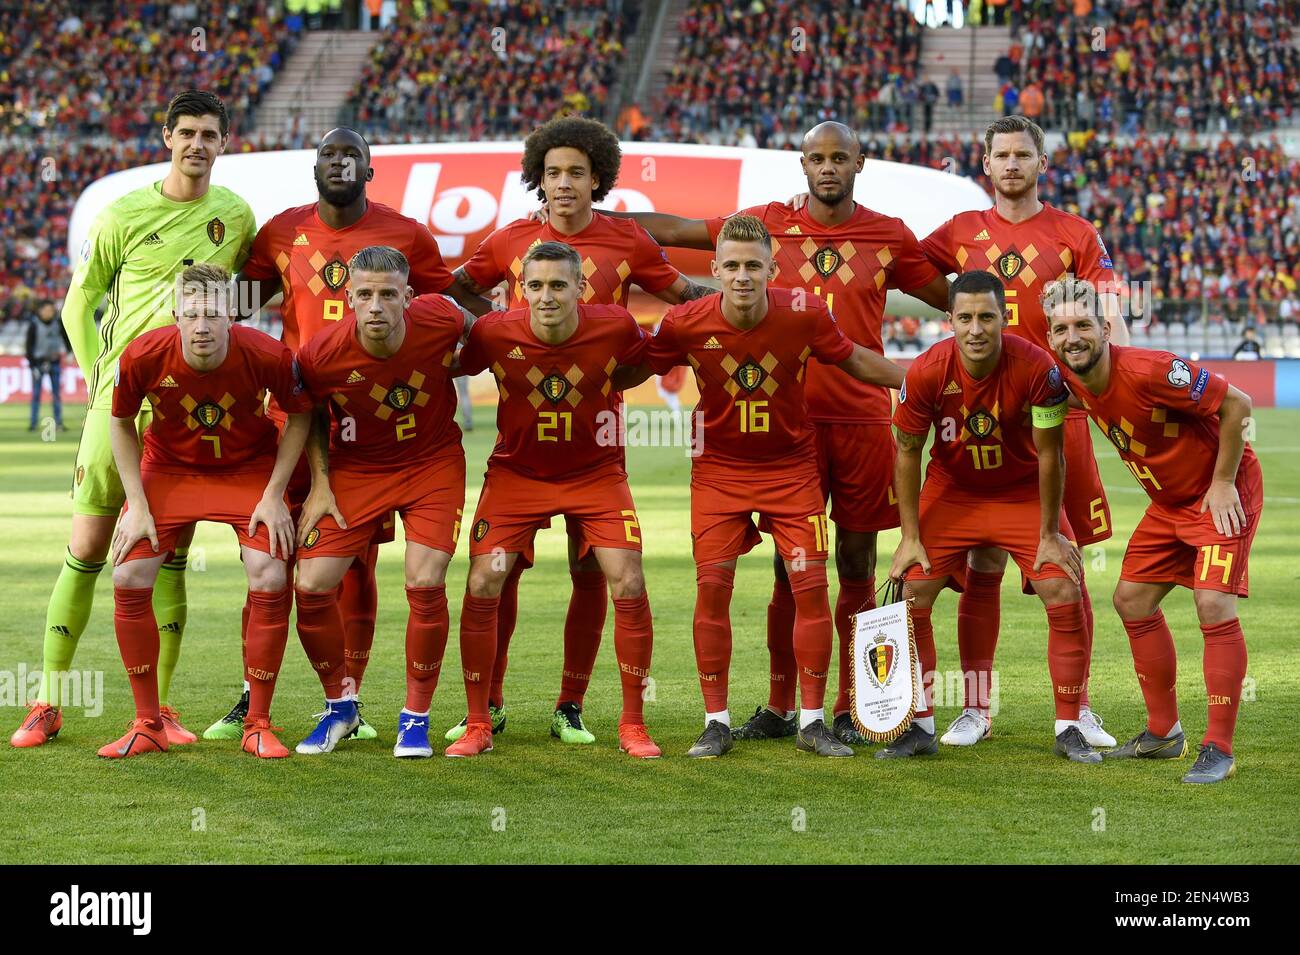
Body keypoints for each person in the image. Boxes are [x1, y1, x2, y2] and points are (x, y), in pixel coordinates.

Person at [611, 122, 948, 746]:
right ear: (802, 164)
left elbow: (946, 296)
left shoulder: (889, 234)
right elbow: (680, 229)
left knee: (854, 560)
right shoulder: (764, 223)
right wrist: (604, 221)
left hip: (859, 417)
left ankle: (852, 703)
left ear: (859, 163)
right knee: (786, 571)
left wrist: (961, 356)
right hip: (787, 426)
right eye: (817, 158)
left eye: (839, 158)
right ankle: (778, 704)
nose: (827, 168)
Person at [203, 127, 489, 742]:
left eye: (351, 154)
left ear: (369, 168)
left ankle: (352, 700)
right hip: (299, 416)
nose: (339, 163)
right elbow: (237, 310)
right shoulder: (280, 232)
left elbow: (447, 316)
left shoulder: (407, 235)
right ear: (314, 168)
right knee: (273, 559)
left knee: (360, 568)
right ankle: (255, 697)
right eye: (329, 154)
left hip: (384, 428)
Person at [441, 115, 711, 746]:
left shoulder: (627, 240)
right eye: (553, 172)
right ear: (539, 177)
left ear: (598, 178)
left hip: (597, 450)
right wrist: (510, 323)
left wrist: (739, 305)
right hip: (519, 453)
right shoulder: (509, 240)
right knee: (492, 574)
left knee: (595, 574)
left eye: (577, 173)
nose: (564, 184)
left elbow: (682, 296)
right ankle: (490, 708)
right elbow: (459, 290)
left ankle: (573, 705)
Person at [11, 90, 256, 750]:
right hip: (118, 407)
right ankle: (48, 700)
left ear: (224, 143)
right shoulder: (124, 213)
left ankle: (163, 708)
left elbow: (242, 301)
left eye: (211, 133)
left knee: (170, 554)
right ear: (166, 137)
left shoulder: (235, 217)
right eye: (188, 133)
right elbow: (77, 304)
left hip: (185, 412)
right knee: (89, 546)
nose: (198, 144)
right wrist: (99, 377)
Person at [631, 214, 906, 758]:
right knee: (713, 588)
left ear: (772, 270)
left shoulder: (803, 314)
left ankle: (810, 720)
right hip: (718, 472)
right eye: (730, 266)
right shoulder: (686, 321)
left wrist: (921, 378)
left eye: (752, 266)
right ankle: (716, 722)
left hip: (790, 469)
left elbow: (853, 359)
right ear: (714, 269)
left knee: (809, 585)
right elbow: (632, 368)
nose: (741, 276)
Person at [919, 114, 1126, 748]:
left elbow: (1110, 303)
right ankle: (976, 708)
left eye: (1022, 154)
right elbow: (904, 270)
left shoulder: (1074, 232)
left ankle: (1079, 709)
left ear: (1042, 164)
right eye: (1000, 154)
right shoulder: (959, 232)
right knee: (981, 560)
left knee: (1066, 564)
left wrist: (1094, 360)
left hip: (1058, 418)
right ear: (985, 165)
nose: (1011, 164)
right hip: (983, 422)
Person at [447, 241, 659, 759]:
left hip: (596, 474)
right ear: (520, 289)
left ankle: (630, 722)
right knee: (484, 578)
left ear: (580, 288)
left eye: (558, 285)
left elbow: (649, 362)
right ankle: (480, 719)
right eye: (535, 286)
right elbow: (447, 369)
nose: (546, 296)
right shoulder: (494, 332)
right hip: (517, 475)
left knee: (626, 578)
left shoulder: (614, 327)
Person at [1047, 277, 1260, 783]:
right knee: (1132, 600)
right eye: (1060, 329)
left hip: (1219, 493)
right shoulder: (1069, 377)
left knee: (1211, 603)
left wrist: (1225, 481)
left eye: (1082, 325)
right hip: (1168, 504)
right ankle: (1164, 734)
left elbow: (1239, 404)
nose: (1072, 336)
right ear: (1050, 338)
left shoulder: (1153, 370)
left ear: (1104, 327)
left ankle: (1219, 748)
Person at [886, 269, 1097, 764]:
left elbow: (1051, 456)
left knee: (1062, 583)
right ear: (949, 320)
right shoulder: (924, 371)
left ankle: (1070, 724)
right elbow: (906, 455)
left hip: (1020, 491)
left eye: (986, 317)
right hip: (954, 490)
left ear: (1005, 317)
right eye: (965, 318)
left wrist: (1049, 534)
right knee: (911, 587)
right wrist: (909, 537)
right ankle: (918, 724)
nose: (976, 329)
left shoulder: (1037, 370)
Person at [101, 263, 310, 758]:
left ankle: (257, 722)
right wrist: (136, 503)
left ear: (231, 315)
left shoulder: (266, 354)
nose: (201, 326)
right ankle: (147, 722)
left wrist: (274, 493)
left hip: (246, 469)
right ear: (176, 314)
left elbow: (300, 415)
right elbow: (120, 423)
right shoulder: (144, 355)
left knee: (270, 571)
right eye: (192, 314)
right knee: (129, 576)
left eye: (212, 314)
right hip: (170, 468)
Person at [292, 246, 469, 758]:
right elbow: (311, 415)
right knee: (313, 583)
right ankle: (340, 707)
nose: (375, 306)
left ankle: (415, 718)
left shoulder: (442, 318)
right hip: (358, 470)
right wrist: (321, 483)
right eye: (364, 294)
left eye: (387, 295)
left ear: (409, 297)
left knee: (424, 577)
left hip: (431, 463)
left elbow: (488, 340)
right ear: (347, 298)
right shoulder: (320, 355)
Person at [25, 299, 70, 433]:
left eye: (52, 310)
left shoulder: (57, 323)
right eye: (47, 310)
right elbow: (28, 346)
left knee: (56, 394)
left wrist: (69, 352)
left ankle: (59, 422)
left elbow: (65, 337)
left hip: (54, 361)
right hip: (38, 363)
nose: (50, 313)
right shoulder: (34, 324)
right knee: (36, 394)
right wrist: (32, 366)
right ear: (41, 311)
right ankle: (33, 423)